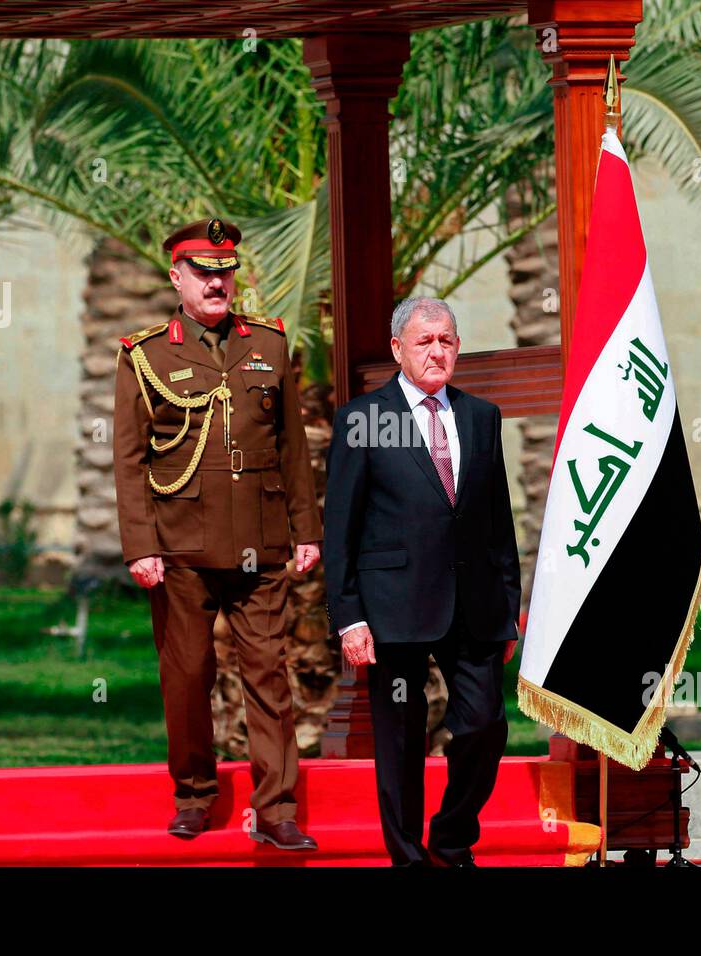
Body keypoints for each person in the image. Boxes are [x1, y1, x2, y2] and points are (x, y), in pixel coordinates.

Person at [113, 217, 322, 851]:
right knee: (187, 675)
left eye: (225, 273)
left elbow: (292, 450)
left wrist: (306, 530)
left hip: (261, 543)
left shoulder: (270, 345)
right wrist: (140, 545)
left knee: (269, 674)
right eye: (202, 273)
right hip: (179, 549)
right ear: (175, 278)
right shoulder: (144, 355)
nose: (216, 283)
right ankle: (194, 796)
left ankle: (278, 809)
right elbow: (129, 460)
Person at [323, 297, 521, 866]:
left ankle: (452, 840)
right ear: (397, 349)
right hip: (392, 610)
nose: (437, 352)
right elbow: (340, 528)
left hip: (475, 607)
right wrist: (349, 616)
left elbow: (496, 519)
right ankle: (409, 859)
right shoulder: (363, 419)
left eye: (447, 342)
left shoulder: (482, 417)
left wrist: (508, 604)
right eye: (424, 342)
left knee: (485, 726)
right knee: (402, 741)